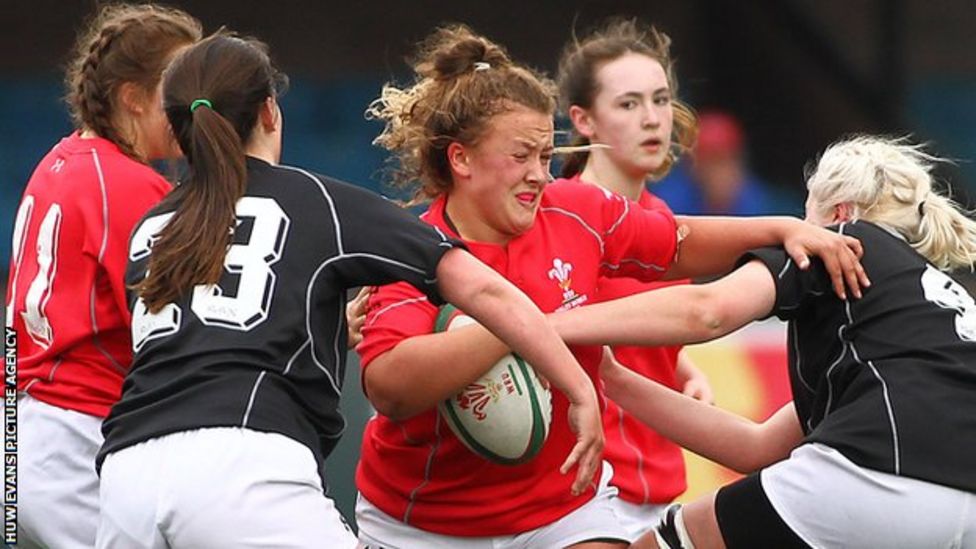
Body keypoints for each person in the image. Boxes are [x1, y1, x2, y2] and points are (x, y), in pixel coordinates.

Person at [354, 24, 866, 549]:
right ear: (461, 159)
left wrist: (782, 228)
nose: (539, 175)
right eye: (520, 156)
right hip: (423, 522)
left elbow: (679, 244)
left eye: (544, 156)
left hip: (561, 507)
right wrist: (518, 324)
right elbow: (390, 388)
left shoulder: (574, 210)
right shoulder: (414, 252)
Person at [94, 32, 599, 549]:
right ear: (269, 112)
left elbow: (199, 341)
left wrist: (326, 328)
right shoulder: (315, 200)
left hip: (126, 475)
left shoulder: (152, 226)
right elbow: (486, 292)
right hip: (242, 463)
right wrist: (579, 389)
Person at [552, 136, 976, 548]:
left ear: (839, 212)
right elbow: (756, 447)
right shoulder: (928, 305)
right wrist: (613, 378)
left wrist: (548, 327)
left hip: (877, 473)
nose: (801, 228)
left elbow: (708, 310)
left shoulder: (842, 243)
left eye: (806, 212)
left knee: (678, 536)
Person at [3, 5, 202, 547]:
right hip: (75, 443)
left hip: (27, 435)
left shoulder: (61, 159)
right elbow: (175, 332)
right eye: (178, 88)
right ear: (133, 97)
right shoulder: (129, 184)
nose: (193, 104)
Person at [555, 18, 713, 537]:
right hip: (581, 497)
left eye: (661, 100)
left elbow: (632, 328)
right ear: (584, 120)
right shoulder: (553, 218)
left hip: (662, 492)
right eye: (628, 104)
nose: (652, 118)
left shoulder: (663, 218)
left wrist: (683, 368)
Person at [653, 110, 778, 216]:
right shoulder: (669, 199)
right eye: (712, 161)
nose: (721, 171)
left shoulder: (754, 198)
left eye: (727, 160)